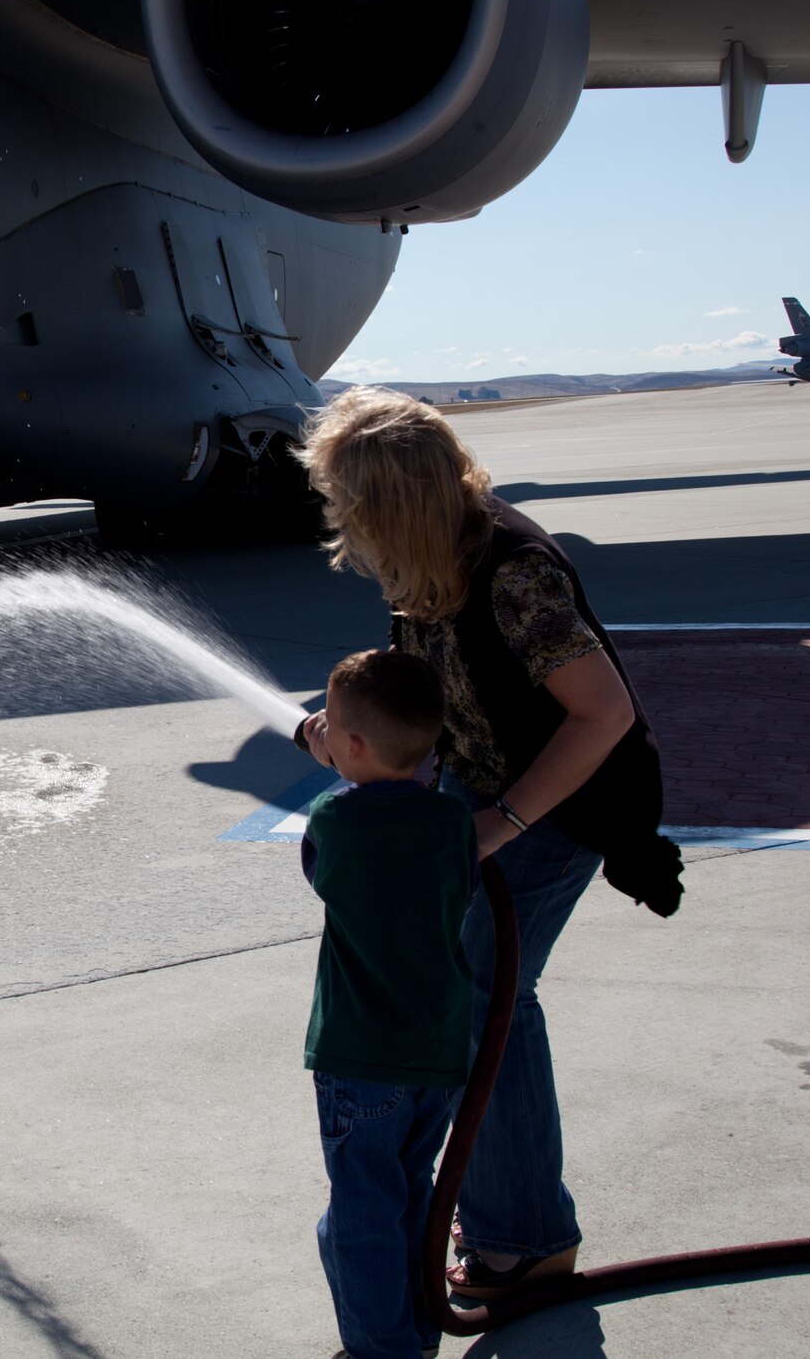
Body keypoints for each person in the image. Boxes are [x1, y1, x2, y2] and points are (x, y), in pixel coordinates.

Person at [296, 387, 681, 1302]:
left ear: (393, 503)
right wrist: (353, 731)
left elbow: (604, 714)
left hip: (560, 800)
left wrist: (498, 826)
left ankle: (527, 1240)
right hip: (482, 787)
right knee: (467, 990)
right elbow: (435, 689)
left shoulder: (513, 572)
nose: (342, 520)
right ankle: (507, 1208)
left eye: (351, 501)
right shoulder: (424, 558)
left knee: (481, 996)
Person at [300, 649, 475, 1359]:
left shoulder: (334, 819)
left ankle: (383, 1350)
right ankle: (413, 1330)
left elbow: (321, 868)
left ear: (352, 745)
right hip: (436, 1052)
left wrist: (331, 764)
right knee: (409, 1185)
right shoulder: (453, 822)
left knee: (361, 1210)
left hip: (361, 1054)